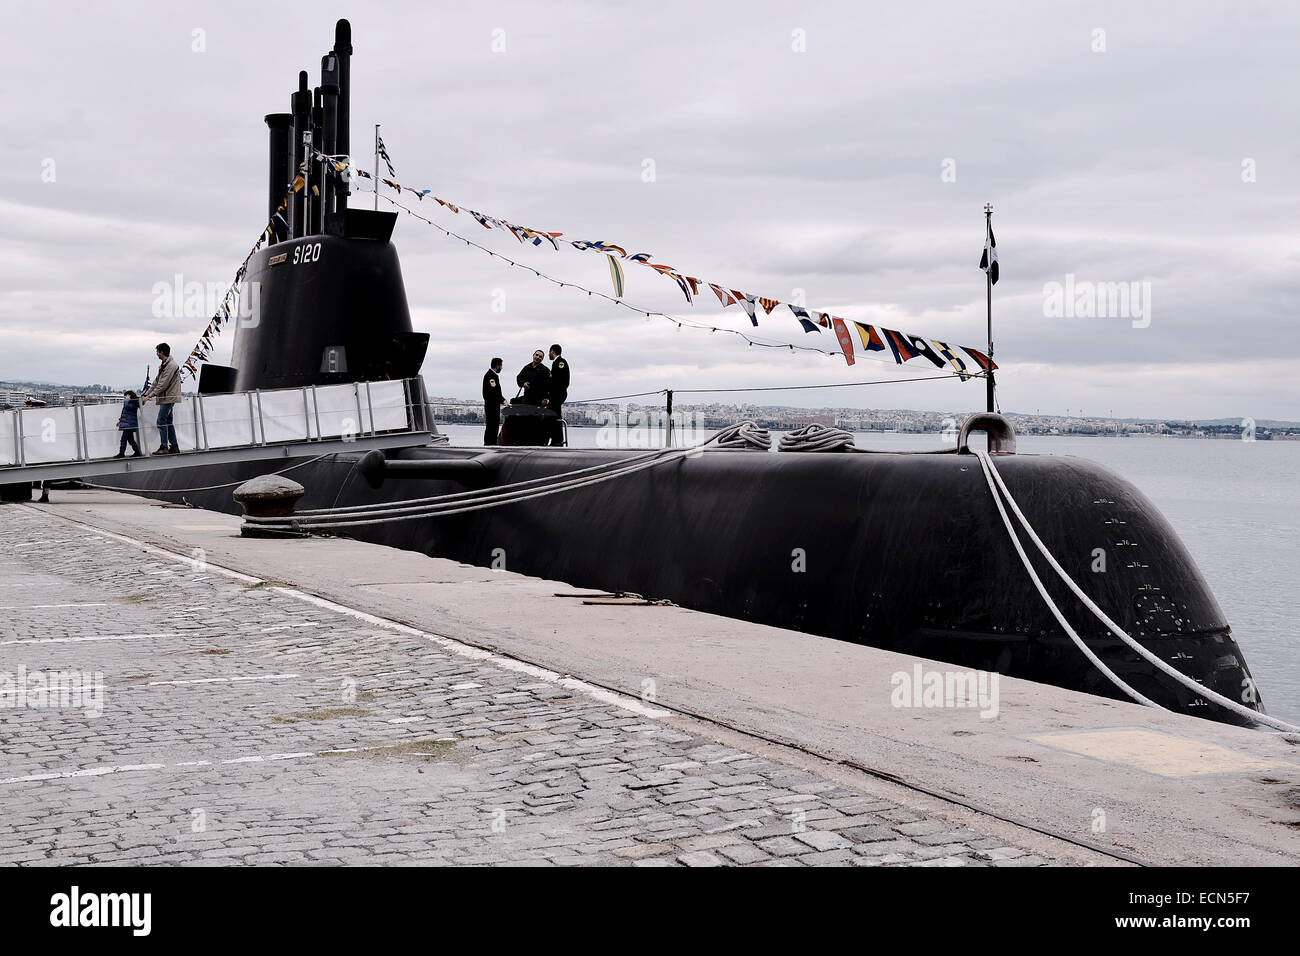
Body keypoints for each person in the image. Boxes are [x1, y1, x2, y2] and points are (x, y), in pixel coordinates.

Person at [140, 342, 181, 454]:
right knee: (168, 422)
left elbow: (162, 384)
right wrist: (146, 394)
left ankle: (164, 447)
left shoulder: (171, 366)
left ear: (161, 352)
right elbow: (155, 382)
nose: (156, 354)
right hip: (166, 397)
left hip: (168, 398)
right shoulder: (164, 365)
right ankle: (174, 446)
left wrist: (149, 396)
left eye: (157, 351)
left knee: (161, 421)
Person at [547, 344, 570, 446]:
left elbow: (560, 381)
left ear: (552, 351)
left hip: (556, 395)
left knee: (555, 416)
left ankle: (558, 440)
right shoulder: (556, 363)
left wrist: (556, 395)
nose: (549, 354)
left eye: (549, 352)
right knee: (553, 416)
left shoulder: (560, 362)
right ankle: (556, 439)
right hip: (556, 395)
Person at [482, 357, 506, 445]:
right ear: (497, 366)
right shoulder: (491, 376)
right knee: (492, 426)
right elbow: (494, 392)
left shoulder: (489, 375)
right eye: (501, 365)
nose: (502, 367)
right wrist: (504, 401)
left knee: (491, 426)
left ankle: (489, 443)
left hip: (491, 406)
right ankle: (490, 444)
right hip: (492, 406)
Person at [113, 390, 142, 458]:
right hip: (128, 424)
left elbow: (128, 407)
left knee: (124, 439)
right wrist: (120, 421)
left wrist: (127, 400)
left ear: (129, 396)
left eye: (125, 396)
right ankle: (137, 452)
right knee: (130, 440)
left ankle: (121, 453)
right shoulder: (130, 402)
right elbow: (125, 414)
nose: (124, 398)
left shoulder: (133, 403)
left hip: (129, 424)